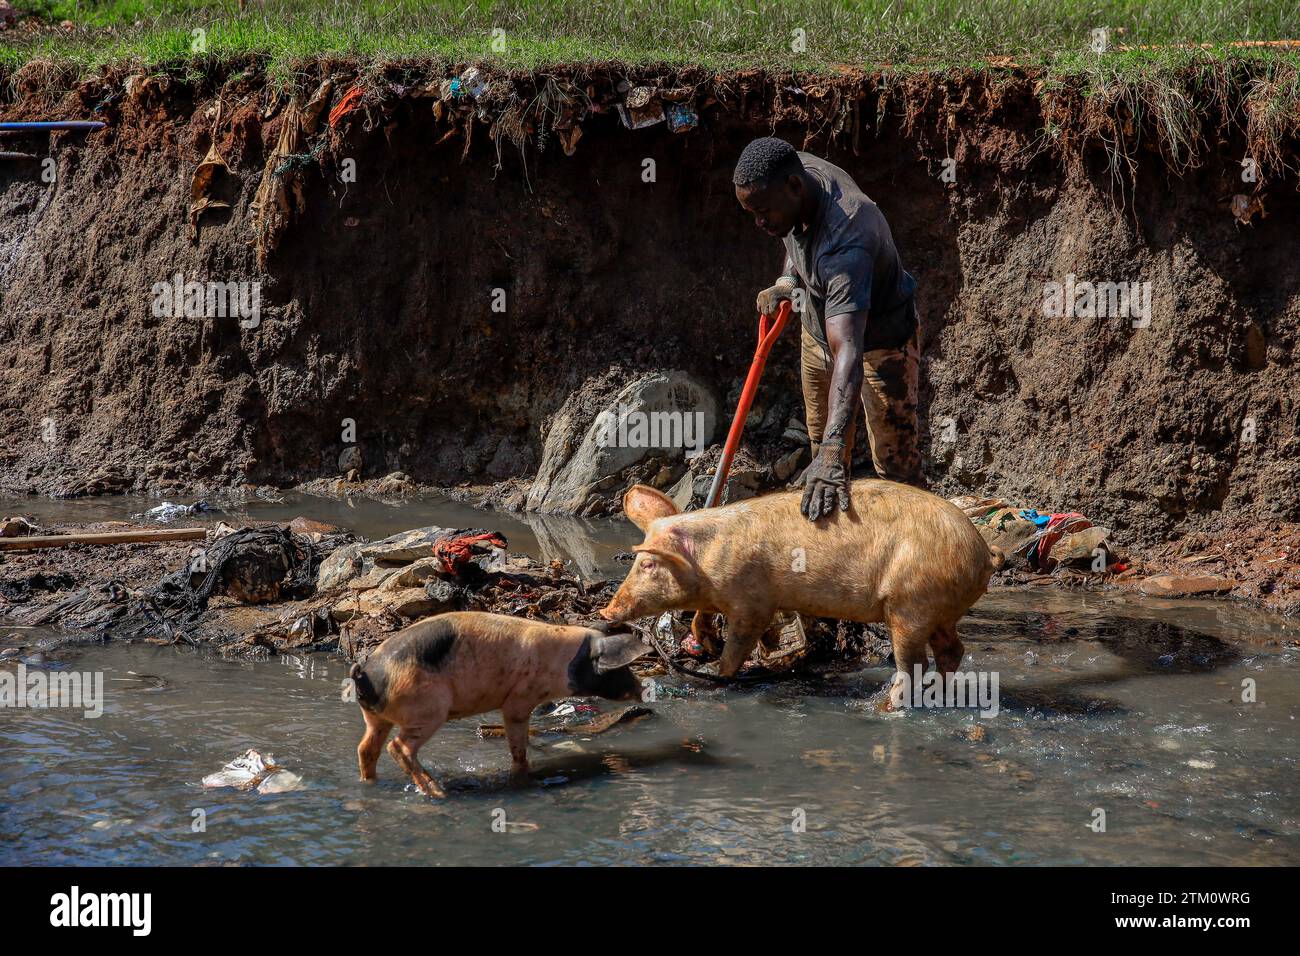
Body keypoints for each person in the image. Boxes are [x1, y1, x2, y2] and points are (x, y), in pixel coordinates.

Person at [733, 136, 925, 521]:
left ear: (794, 187)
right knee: (821, 444)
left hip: (879, 346)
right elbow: (791, 229)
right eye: (751, 212)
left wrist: (835, 451)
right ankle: (832, 541)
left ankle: (909, 541)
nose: (758, 223)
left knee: (895, 465)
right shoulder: (791, 171)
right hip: (820, 329)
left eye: (763, 211)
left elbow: (850, 352)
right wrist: (788, 280)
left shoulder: (846, 245)